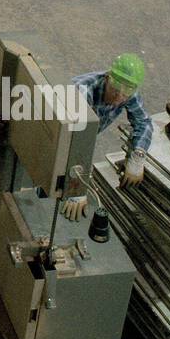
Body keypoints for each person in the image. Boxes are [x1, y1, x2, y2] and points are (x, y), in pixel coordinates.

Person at [62, 54, 151, 221]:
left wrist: (137, 155)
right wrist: (76, 187)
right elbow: (74, 140)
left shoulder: (126, 91)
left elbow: (143, 122)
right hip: (58, 131)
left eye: (126, 92)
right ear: (108, 77)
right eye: (115, 89)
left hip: (80, 136)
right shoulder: (82, 91)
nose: (119, 97)